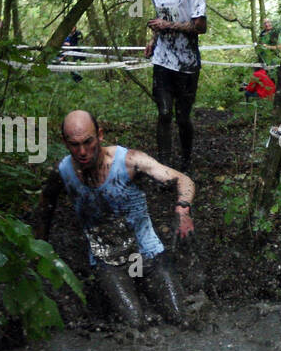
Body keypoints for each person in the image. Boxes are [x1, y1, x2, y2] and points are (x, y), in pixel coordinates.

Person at [36, 110, 195, 329]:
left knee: (181, 320)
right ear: (64, 142)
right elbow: (45, 208)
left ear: (100, 135)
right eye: (74, 145)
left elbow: (182, 179)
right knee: (136, 326)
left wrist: (183, 208)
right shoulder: (62, 172)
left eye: (88, 142)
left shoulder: (130, 161)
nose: (82, 152)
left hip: (145, 253)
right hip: (107, 260)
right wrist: (39, 250)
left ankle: (151, 296)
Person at [144, 0, 206, 172]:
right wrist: (153, 40)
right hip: (162, 61)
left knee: (182, 117)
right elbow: (162, 19)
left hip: (187, 64)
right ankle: (163, 166)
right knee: (163, 113)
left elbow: (201, 27)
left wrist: (169, 25)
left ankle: (186, 162)